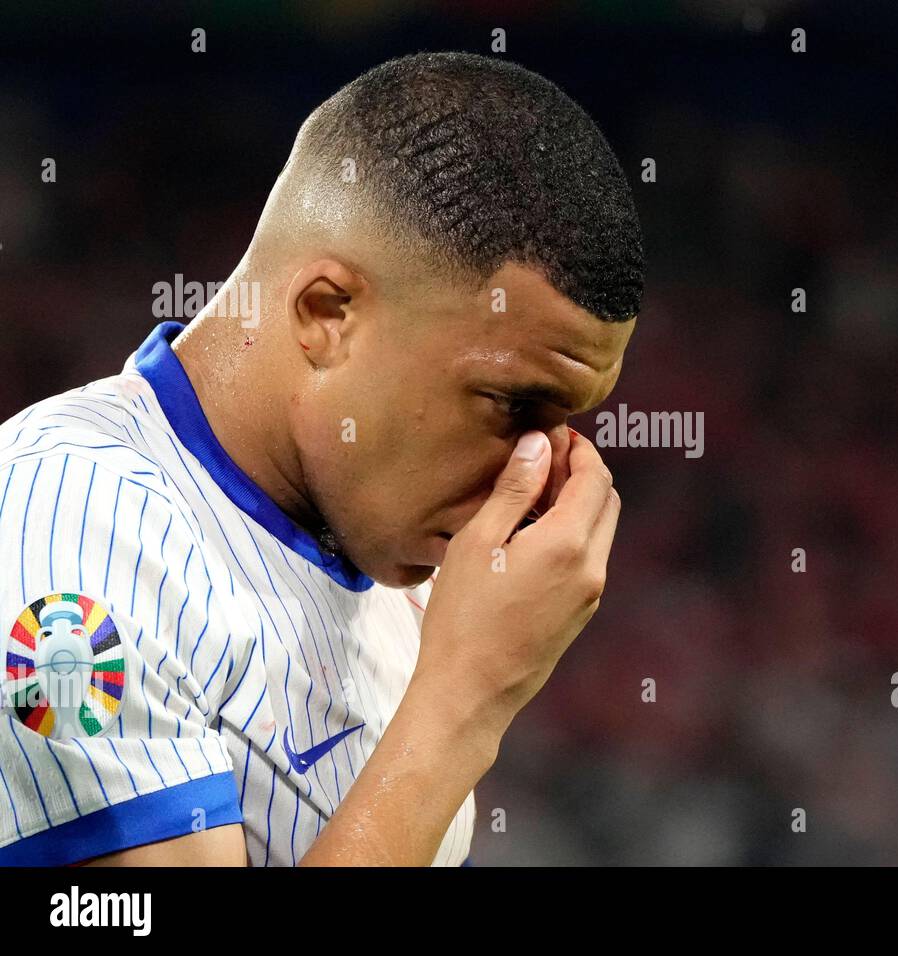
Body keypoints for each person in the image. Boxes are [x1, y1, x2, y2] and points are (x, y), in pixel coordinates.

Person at [0, 50, 642, 866]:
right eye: (515, 406)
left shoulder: (397, 559)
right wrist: (462, 706)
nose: (541, 477)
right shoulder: (73, 530)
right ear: (327, 314)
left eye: (565, 425)